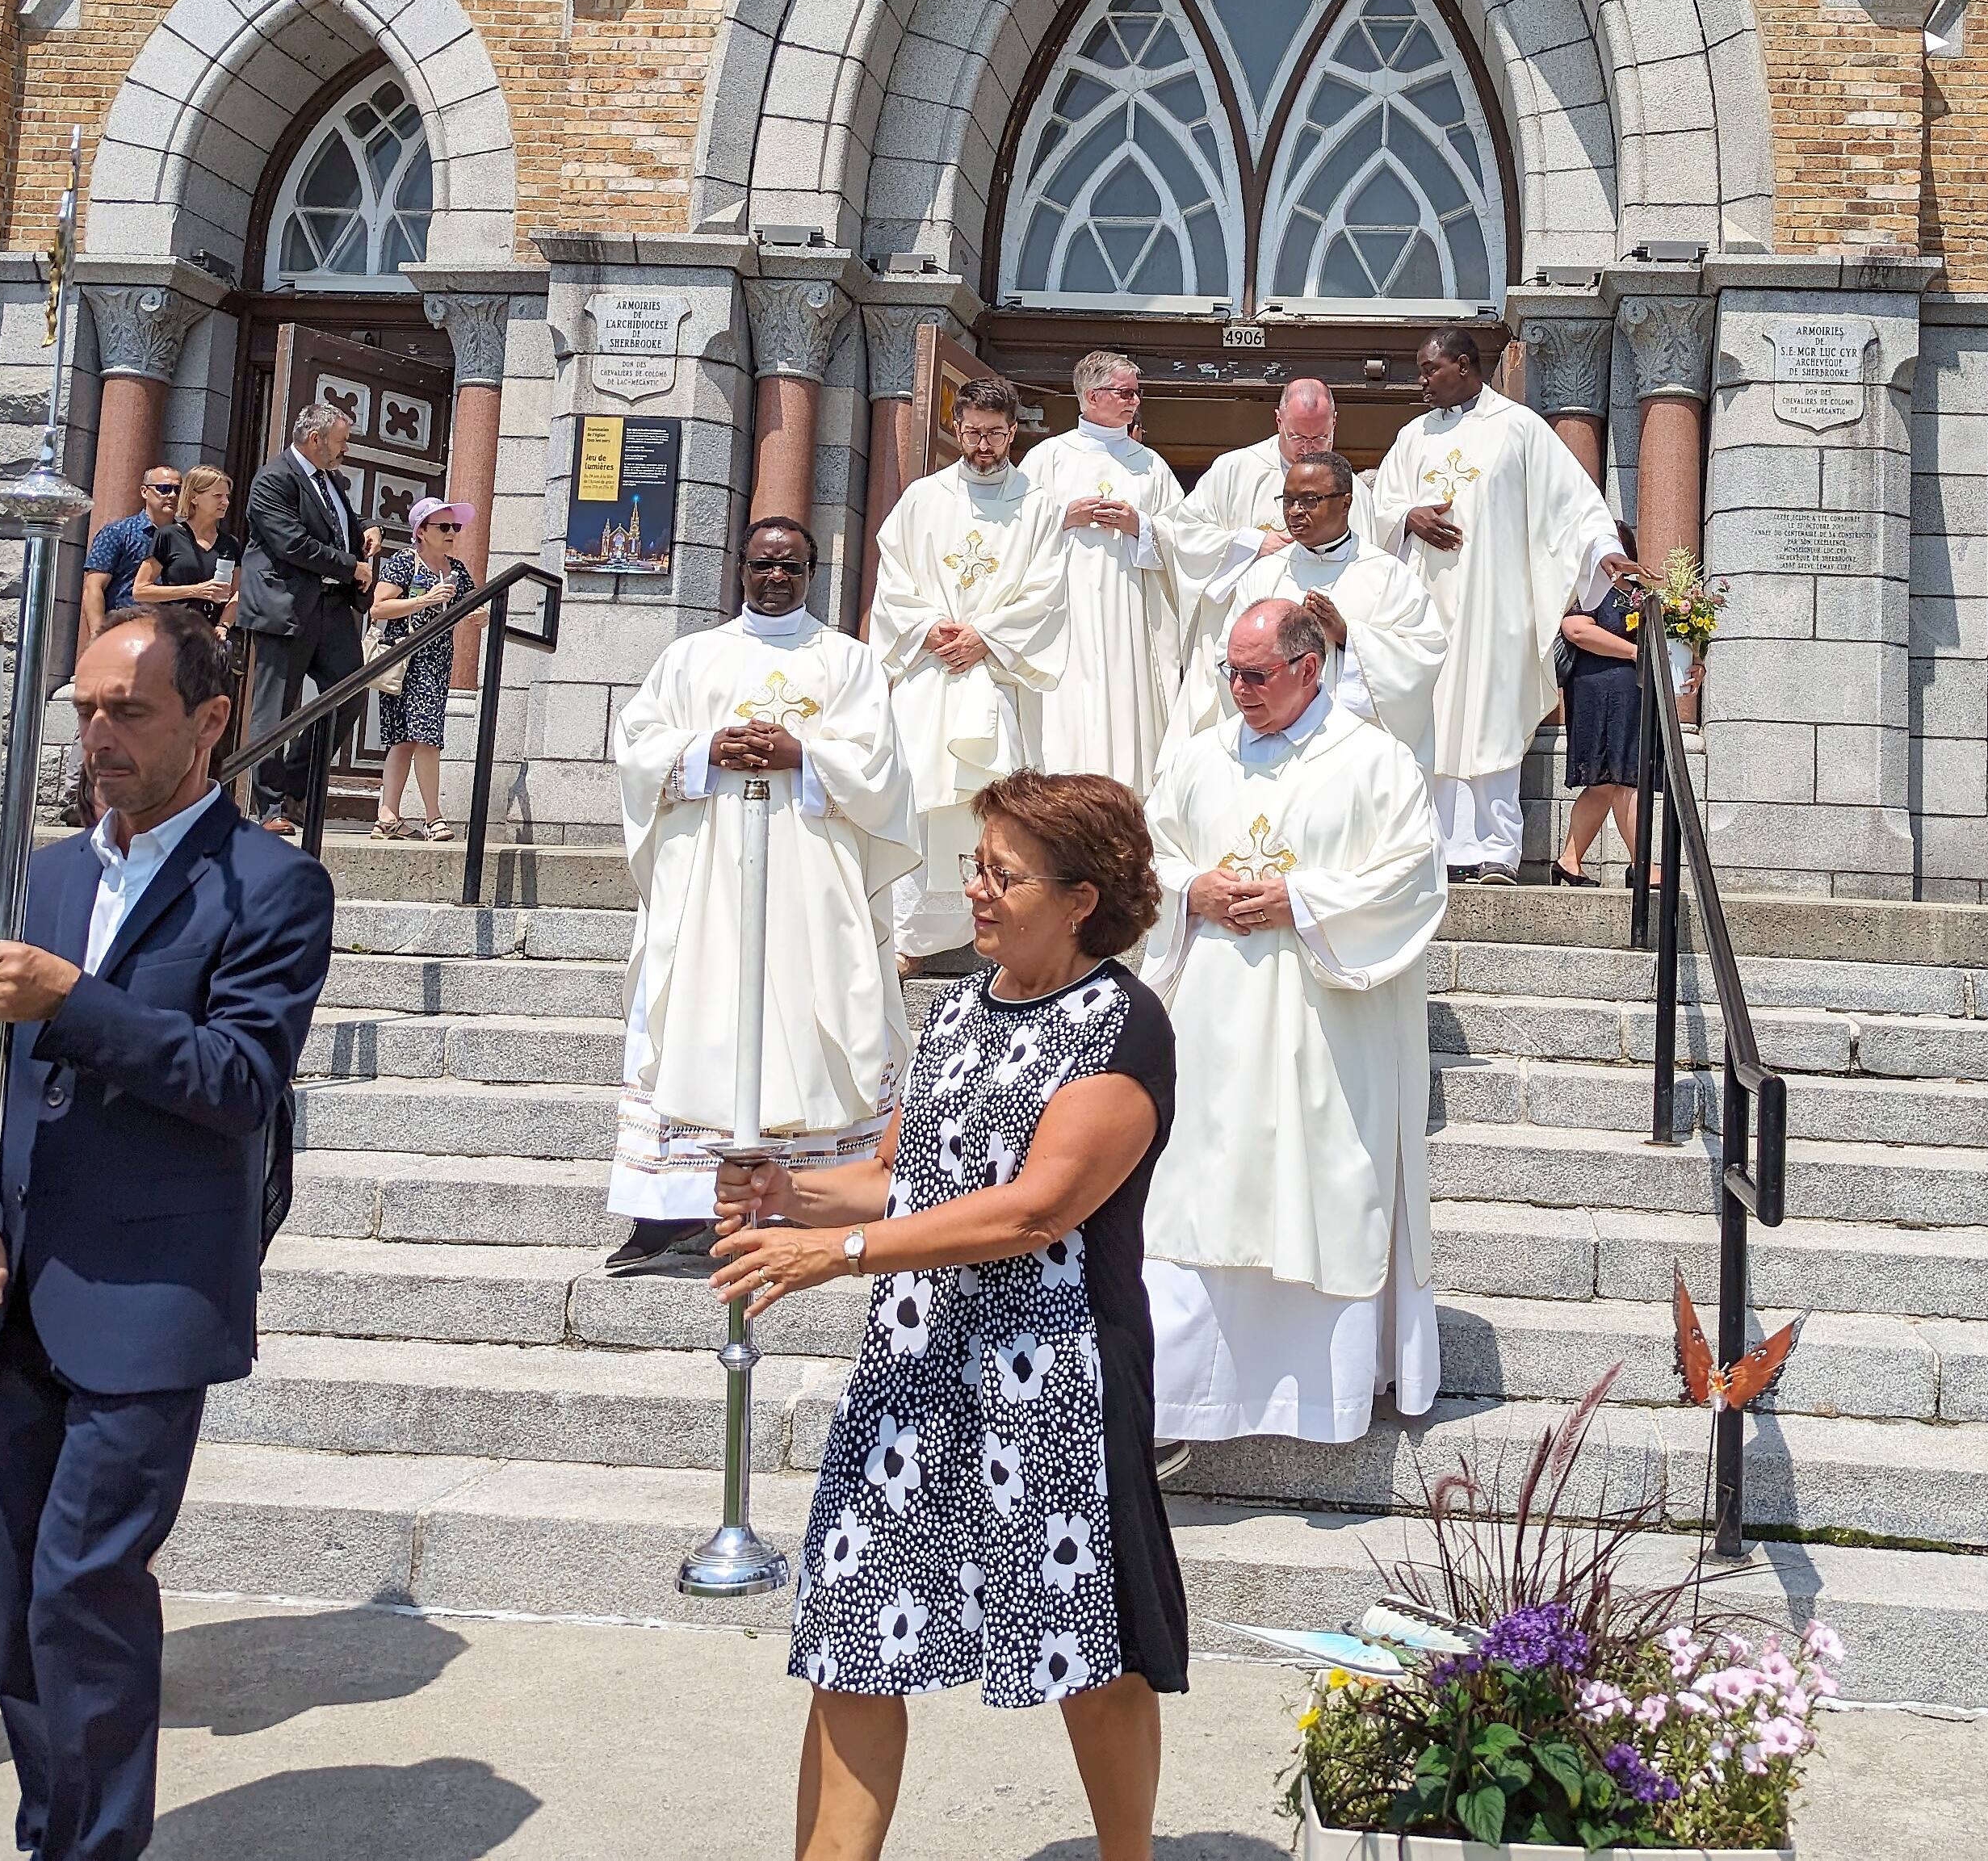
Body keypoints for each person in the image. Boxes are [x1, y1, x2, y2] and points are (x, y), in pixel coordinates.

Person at [0, 608, 333, 1861]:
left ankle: (88, 1847)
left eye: (128, 712)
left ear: (210, 722)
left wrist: (75, 1001)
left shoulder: (271, 882)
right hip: (8, 1286)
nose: (98, 736)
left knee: (84, 1589)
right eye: (85, 708)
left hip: (147, 1295)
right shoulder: (38, 876)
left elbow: (239, 1078)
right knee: (23, 1615)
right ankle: (58, 1829)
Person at [711, 769, 1183, 1861]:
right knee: (850, 1638)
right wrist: (789, 1190)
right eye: (976, 865)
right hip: (914, 1372)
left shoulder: (1123, 1026)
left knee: (1089, 1652)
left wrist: (839, 1251)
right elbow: (905, 1177)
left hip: (1053, 1386)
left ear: (1081, 898)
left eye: (1002, 874)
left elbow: (1034, 1208)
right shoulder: (959, 1010)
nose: (975, 890)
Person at [1142, 601, 1449, 1445]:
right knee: (1199, 1193)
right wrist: (1191, 891)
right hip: (1213, 1022)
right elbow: (1148, 853)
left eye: (1257, 674)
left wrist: (1302, 900)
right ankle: (1185, 1398)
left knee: (1327, 1189)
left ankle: (1324, 1395)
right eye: (1229, 673)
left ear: (1309, 670)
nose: (1239, 690)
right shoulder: (1201, 758)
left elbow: (1414, 879)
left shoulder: (1376, 760)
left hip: (1329, 1029)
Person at [604, 518, 919, 1276]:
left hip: (813, 882)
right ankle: (674, 1208)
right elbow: (638, 743)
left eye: (792, 566)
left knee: (813, 1023)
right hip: (709, 876)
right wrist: (705, 750)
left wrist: (800, 753)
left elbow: (882, 767)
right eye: (763, 564)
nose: (776, 577)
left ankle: (811, 1198)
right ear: (739, 568)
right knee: (700, 1020)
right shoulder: (691, 657)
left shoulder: (847, 661)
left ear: (813, 571)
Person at [1369, 329, 1631, 883]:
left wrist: (1604, 550)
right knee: (1433, 726)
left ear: (1464, 366)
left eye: (1429, 369)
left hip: (1495, 610)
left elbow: (1573, 502)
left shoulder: (1519, 428)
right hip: (1429, 614)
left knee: (1492, 726)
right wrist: (1408, 518)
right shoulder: (1413, 437)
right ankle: (1437, 853)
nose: (1420, 380)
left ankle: (1495, 851)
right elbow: (1379, 509)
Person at [869, 377, 1068, 962]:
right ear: (956, 429)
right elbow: (894, 579)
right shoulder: (923, 499)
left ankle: (989, 934)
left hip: (995, 677)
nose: (984, 445)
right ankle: (906, 939)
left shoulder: (1038, 505)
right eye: (974, 433)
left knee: (989, 800)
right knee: (919, 793)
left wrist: (988, 637)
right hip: (930, 672)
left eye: (996, 434)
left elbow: (1049, 591)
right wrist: (927, 627)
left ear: (1014, 431)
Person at [1174, 451, 1447, 767]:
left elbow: (1425, 653)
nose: (1295, 512)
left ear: (1346, 502)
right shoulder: (1265, 573)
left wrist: (1347, 636)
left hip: (1351, 758)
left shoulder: (1387, 575)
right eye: (1288, 501)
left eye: (1309, 500)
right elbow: (1228, 654)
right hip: (1275, 750)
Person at [1017, 351, 1192, 787]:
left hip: (1131, 613)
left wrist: (1142, 526)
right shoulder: (1047, 458)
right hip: (1064, 612)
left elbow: (1187, 535)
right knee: (1069, 712)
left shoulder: (1151, 465)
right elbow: (1014, 533)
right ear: (1093, 396)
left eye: (1136, 393)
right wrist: (1064, 517)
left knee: (1126, 705)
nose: (1135, 401)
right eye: (1126, 392)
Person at [234, 404, 375, 837]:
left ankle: (296, 785)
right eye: (341, 440)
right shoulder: (275, 479)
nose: (346, 449)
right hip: (286, 606)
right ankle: (270, 805)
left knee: (349, 693)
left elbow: (339, 524)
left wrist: (367, 528)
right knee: (276, 707)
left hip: (331, 608)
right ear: (315, 439)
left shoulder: (331, 480)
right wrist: (351, 566)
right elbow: (292, 542)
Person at [365, 497, 475, 841]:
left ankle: (388, 816)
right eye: (443, 527)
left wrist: (477, 615)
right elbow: (378, 609)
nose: (451, 533)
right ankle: (433, 818)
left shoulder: (456, 570)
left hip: (435, 661)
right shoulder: (403, 563)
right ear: (422, 532)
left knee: (415, 738)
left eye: (454, 527)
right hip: (404, 657)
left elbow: (471, 605)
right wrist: (423, 600)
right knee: (414, 737)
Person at [1550, 522, 1652, 888]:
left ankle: (1568, 861)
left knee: (1608, 785)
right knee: (1623, 780)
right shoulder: (1588, 590)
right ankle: (1642, 866)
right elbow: (1576, 630)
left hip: (1632, 695)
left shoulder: (1641, 594)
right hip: (1598, 692)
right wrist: (1635, 652)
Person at [1183, 377, 1340, 543]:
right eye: (1297, 438)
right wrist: (1253, 545)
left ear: (1334, 423)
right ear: (1279, 422)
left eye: (1320, 438)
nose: (1308, 449)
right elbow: (1189, 531)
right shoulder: (1233, 470)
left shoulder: (1350, 488)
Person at [132, 463, 237, 635]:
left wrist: (223, 626)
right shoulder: (169, 536)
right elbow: (141, 591)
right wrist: (196, 590)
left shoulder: (230, 544)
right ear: (194, 497)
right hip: (173, 634)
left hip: (211, 638)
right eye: (217, 495)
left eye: (227, 496)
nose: (225, 502)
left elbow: (235, 593)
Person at [80, 470, 182, 648]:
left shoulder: (186, 539)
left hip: (170, 638)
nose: (172, 495)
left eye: (178, 490)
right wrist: (98, 638)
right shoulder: (118, 533)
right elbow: (94, 587)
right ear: (144, 491)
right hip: (123, 633)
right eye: (164, 488)